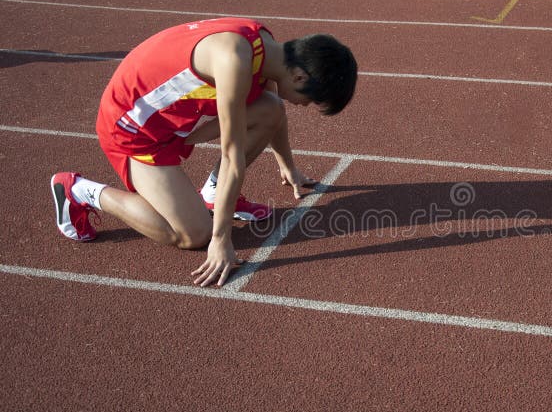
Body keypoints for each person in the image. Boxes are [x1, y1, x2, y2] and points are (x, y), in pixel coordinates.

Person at [50, 17, 357, 287]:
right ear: (300, 76)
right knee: (194, 235)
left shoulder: (266, 49)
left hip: (168, 120)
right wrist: (221, 239)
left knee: (270, 109)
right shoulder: (234, 61)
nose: (302, 106)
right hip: (131, 129)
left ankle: (213, 193)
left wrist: (286, 165)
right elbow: (232, 159)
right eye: (308, 101)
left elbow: (272, 108)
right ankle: (79, 191)